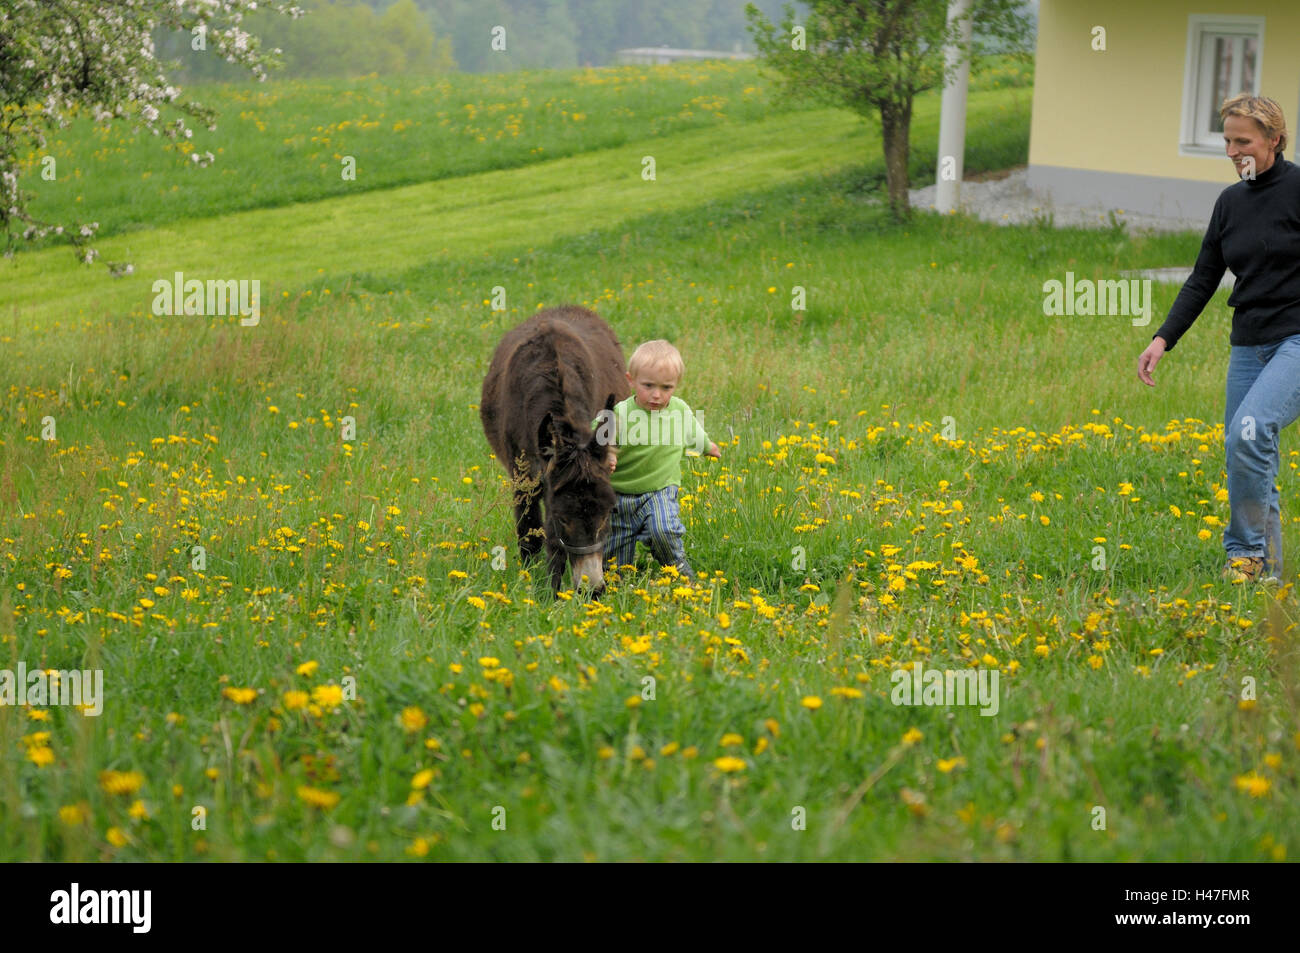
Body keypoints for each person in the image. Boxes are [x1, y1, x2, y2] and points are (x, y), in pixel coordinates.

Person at [1137, 94, 1300, 585]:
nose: (1232, 149)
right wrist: (1163, 338)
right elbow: (1203, 278)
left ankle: (1244, 554)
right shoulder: (1230, 203)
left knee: (1250, 430)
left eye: (1243, 140)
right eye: (1227, 140)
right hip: (1248, 345)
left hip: (1296, 338)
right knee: (1244, 448)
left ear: (1274, 140)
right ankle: (1266, 569)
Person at [595, 339, 721, 580]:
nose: (656, 395)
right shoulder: (620, 413)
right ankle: (616, 588)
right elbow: (598, 438)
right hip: (618, 497)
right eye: (648, 385)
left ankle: (677, 569)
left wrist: (708, 446)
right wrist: (608, 454)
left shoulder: (679, 411)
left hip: (660, 491)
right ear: (630, 380)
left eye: (666, 387)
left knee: (663, 530)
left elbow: (693, 433)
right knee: (613, 568)